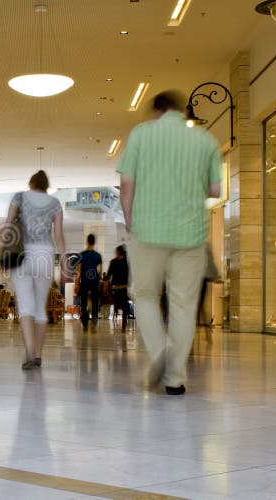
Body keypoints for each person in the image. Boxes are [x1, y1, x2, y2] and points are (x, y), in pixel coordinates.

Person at [117, 90, 221, 396]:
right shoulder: (206, 141)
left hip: (148, 230)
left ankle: (159, 349)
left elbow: (126, 184)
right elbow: (215, 189)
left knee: (145, 295)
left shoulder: (141, 135)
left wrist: (130, 221)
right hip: (191, 234)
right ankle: (175, 377)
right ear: (179, 111)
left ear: (156, 111)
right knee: (183, 305)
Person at [3, 170, 66, 369]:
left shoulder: (19, 197)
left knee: (25, 304)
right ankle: (38, 355)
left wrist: (3, 251)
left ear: (31, 183)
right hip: (45, 255)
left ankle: (29, 350)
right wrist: (64, 262)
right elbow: (59, 236)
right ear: (46, 185)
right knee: (40, 307)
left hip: (22, 253)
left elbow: (7, 226)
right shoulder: (55, 204)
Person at [76, 234, 102, 328]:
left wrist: (76, 284)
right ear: (94, 242)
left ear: (87, 241)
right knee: (95, 302)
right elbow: (100, 272)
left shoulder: (82, 255)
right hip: (94, 282)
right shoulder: (98, 256)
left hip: (84, 282)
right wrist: (98, 281)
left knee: (83, 302)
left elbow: (78, 271)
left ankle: (85, 324)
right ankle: (94, 321)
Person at [106, 245, 130, 331]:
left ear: (117, 252)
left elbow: (108, 275)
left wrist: (104, 279)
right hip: (124, 288)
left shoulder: (113, 262)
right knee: (124, 307)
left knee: (117, 304)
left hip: (115, 288)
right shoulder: (126, 262)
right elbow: (129, 276)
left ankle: (116, 314)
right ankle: (123, 326)